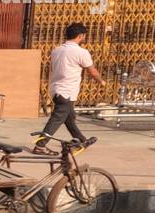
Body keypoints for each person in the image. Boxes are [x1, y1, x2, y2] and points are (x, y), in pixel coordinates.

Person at [33, 22, 103, 153]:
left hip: (56, 89)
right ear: (80, 36)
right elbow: (92, 71)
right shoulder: (81, 52)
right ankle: (40, 145)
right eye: (84, 36)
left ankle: (81, 140)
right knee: (57, 118)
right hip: (67, 91)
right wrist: (101, 82)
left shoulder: (56, 50)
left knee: (69, 117)